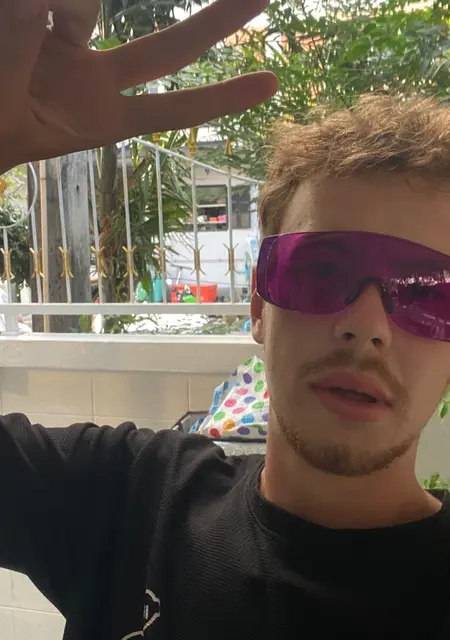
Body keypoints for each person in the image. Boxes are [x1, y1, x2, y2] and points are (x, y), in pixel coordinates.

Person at [1, 1, 450, 639]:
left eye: (428, 291)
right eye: (321, 270)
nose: (367, 325)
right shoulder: (127, 501)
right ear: (260, 305)